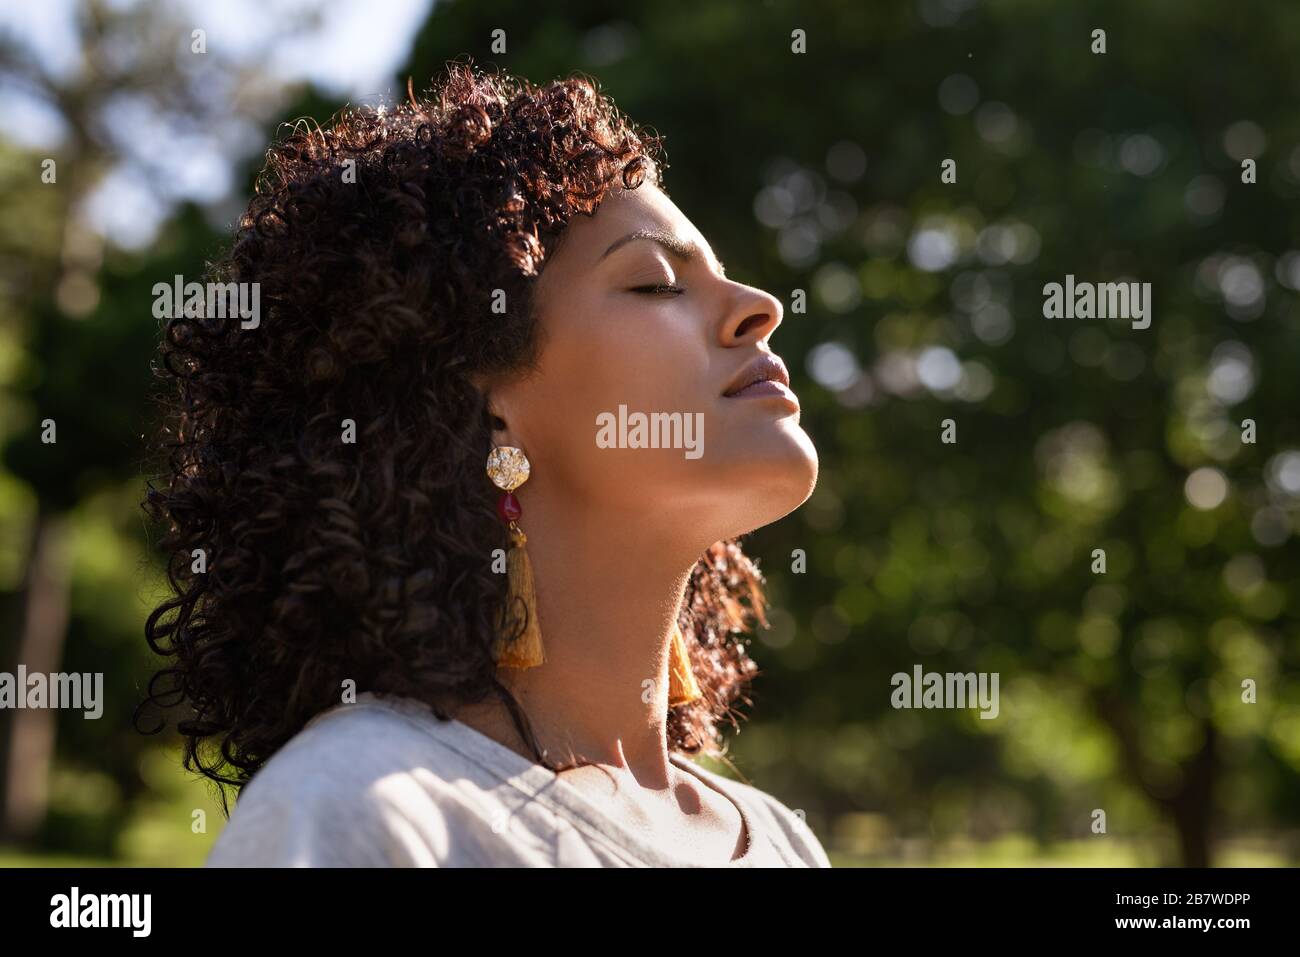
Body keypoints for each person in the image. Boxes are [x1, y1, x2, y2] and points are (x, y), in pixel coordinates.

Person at [140, 60, 826, 867]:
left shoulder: (781, 842)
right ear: (486, 397)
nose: (760, 306)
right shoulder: (367, 810)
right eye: (654, 283)